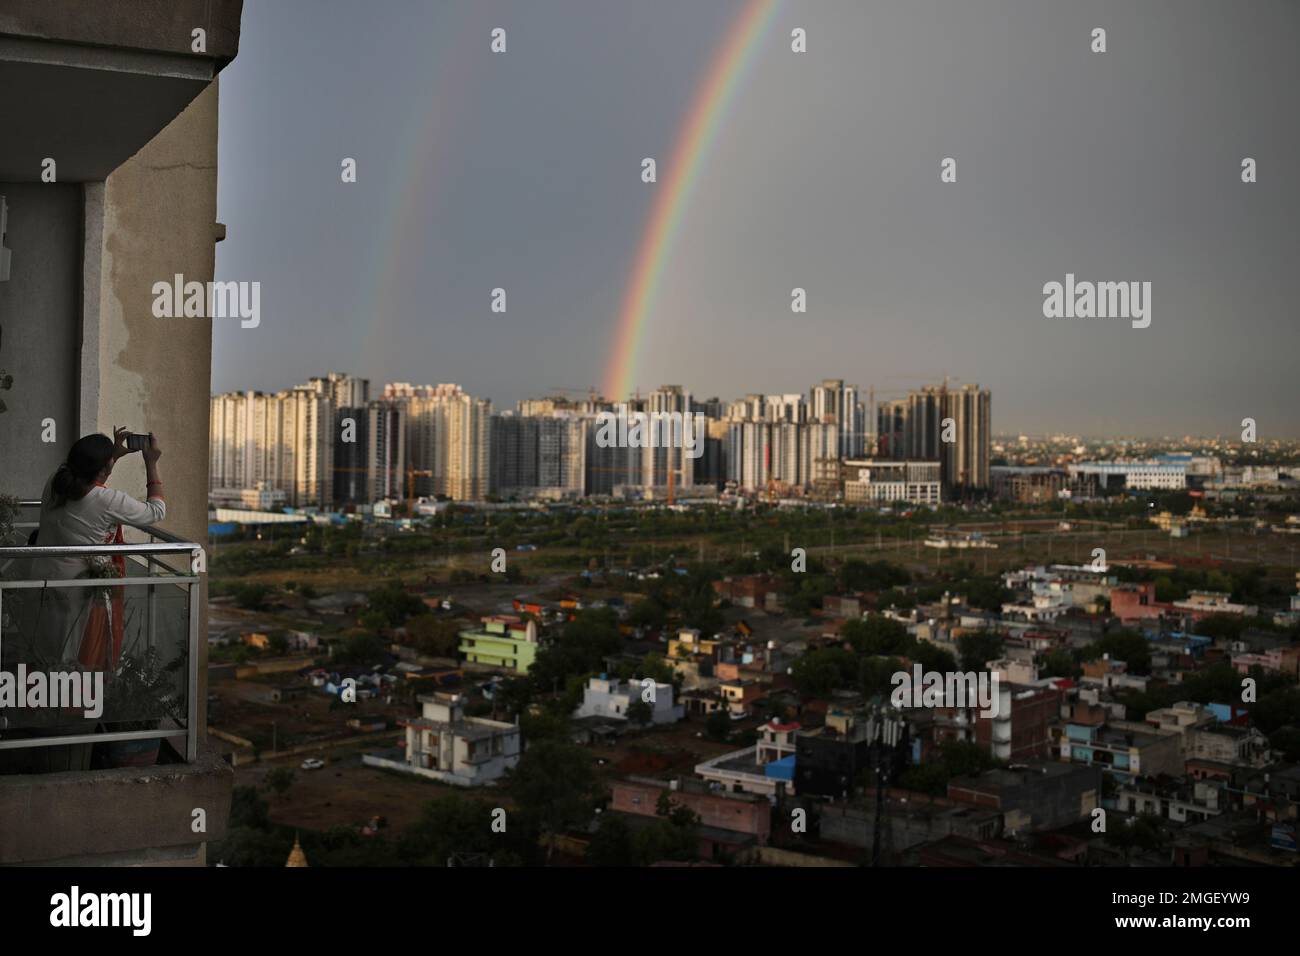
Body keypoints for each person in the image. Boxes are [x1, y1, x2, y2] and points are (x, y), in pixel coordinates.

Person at [24, 429, 165, 667]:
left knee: (42, 651)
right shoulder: (107, 500)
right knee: (71, 656)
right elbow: (156, 511)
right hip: (78, 588)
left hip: (41, 574)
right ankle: (68, 703)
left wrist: (113, 457)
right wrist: (151, 463)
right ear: (103, 469)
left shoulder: (56, 482)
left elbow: (87, 481)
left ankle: (39, 701)